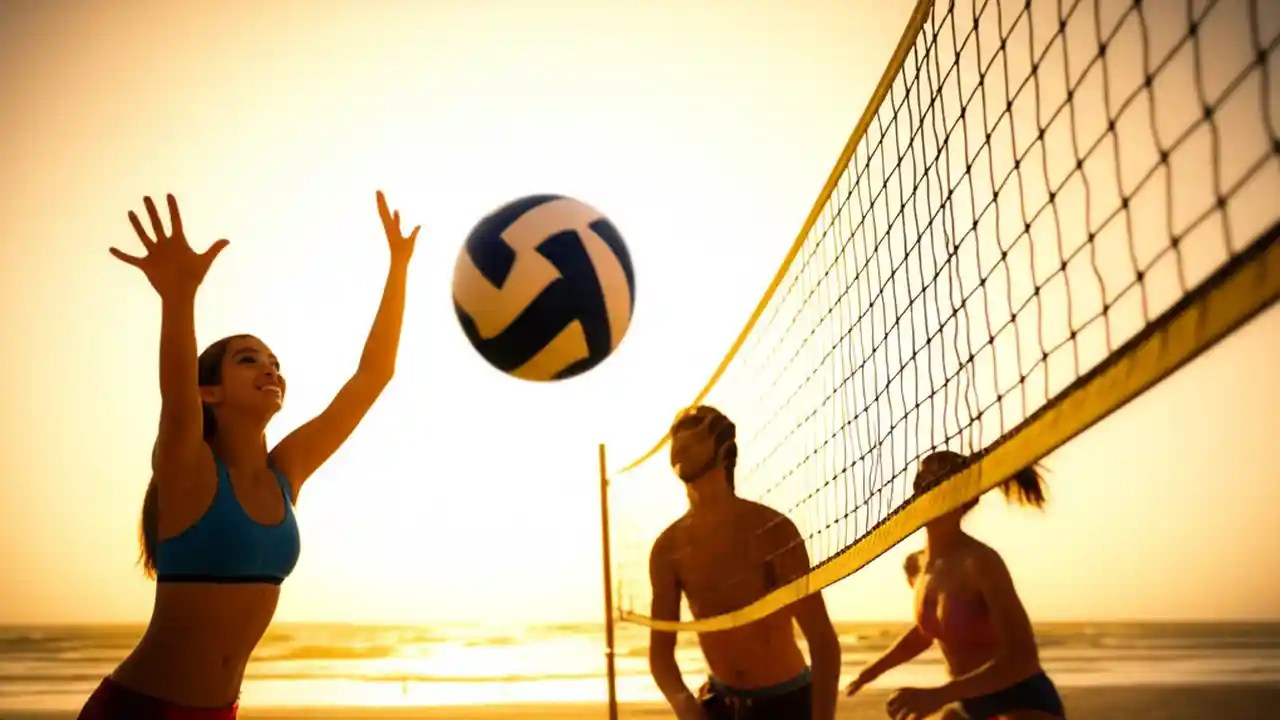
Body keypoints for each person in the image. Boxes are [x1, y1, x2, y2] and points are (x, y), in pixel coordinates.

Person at [77, 191, 419, 719]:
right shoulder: (186, 466)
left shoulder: (287, 472)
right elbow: (176, 392)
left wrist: (399, 268)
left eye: (274, 362)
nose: (270, 369)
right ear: (209, 392)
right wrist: (178, 295)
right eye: (247, 359)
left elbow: (373, 376)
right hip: (140, 711)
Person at [647, 405, 842, 720]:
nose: (681, 442)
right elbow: (660, 656)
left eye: (696, 435)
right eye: (677, 437)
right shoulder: (667, 548)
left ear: (723, 448)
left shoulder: (771, 530)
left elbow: (822, 640)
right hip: (720, 703)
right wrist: (685, 706)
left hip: (788, 702)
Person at [843, 450, 1067, 720]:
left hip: (1019, 700)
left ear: (965, 496)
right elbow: (929, 630)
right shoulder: (919, 565)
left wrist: (938, 695)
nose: (924, 491)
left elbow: (1022, 658)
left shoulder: (980, 562)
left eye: (936, 483)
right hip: (969, 704)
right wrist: (873, 670)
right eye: (920, 483)